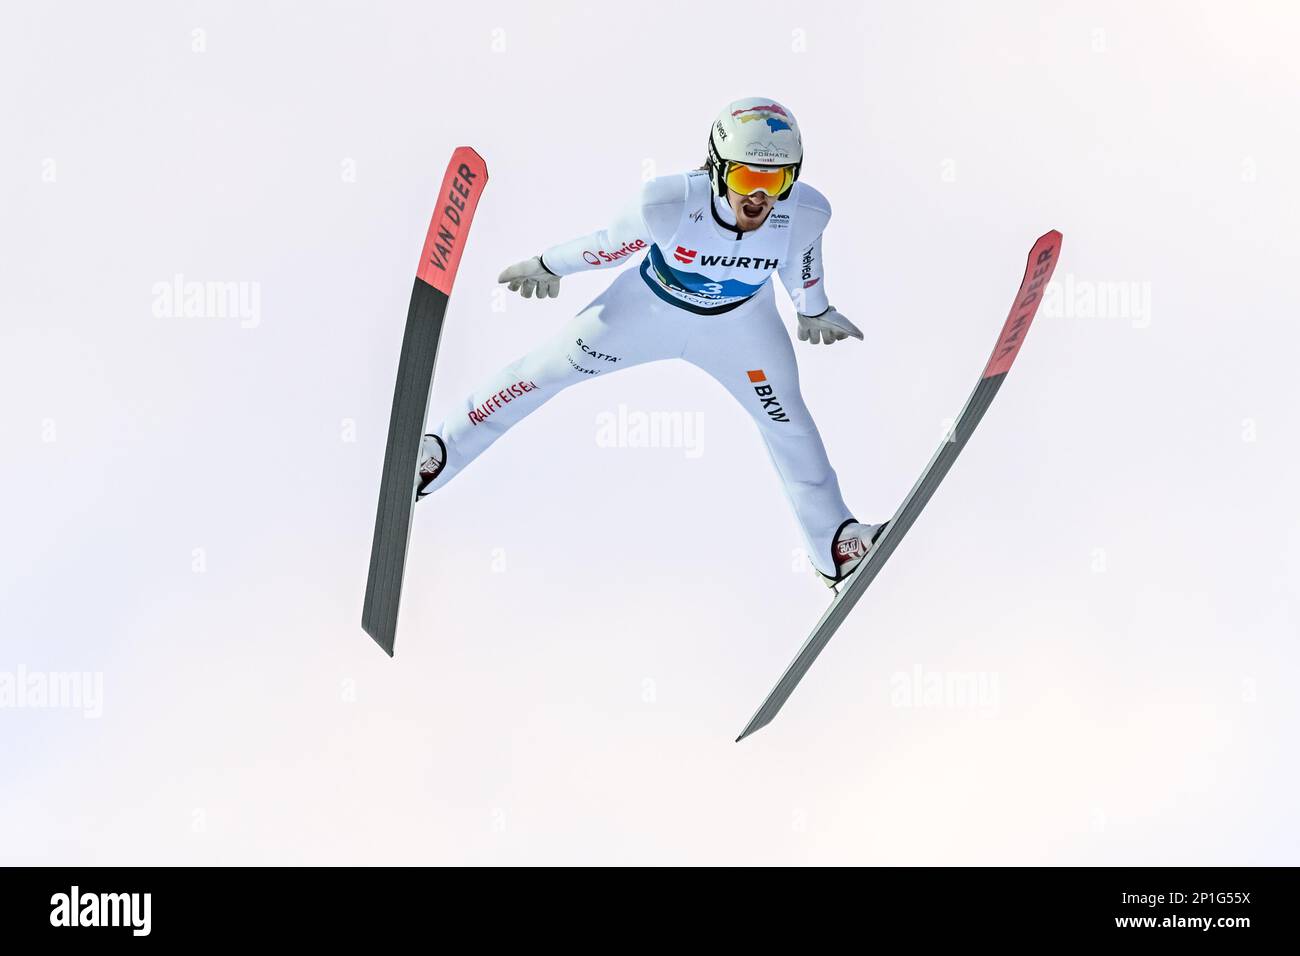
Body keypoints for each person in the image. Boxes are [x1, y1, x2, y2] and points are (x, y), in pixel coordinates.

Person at [415, 97, 884, 586]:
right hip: (645, 311)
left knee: (789, 423)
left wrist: (814, 311)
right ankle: (438, 453)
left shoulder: (806, 212)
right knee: (541, 373)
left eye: (778, 180)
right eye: (747, 178)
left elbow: (802, 265)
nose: (760, 197)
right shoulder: (668, 203)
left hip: (741, 328)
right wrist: (550, 263)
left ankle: (835, 545)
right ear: (718, 168)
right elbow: (607, 245)